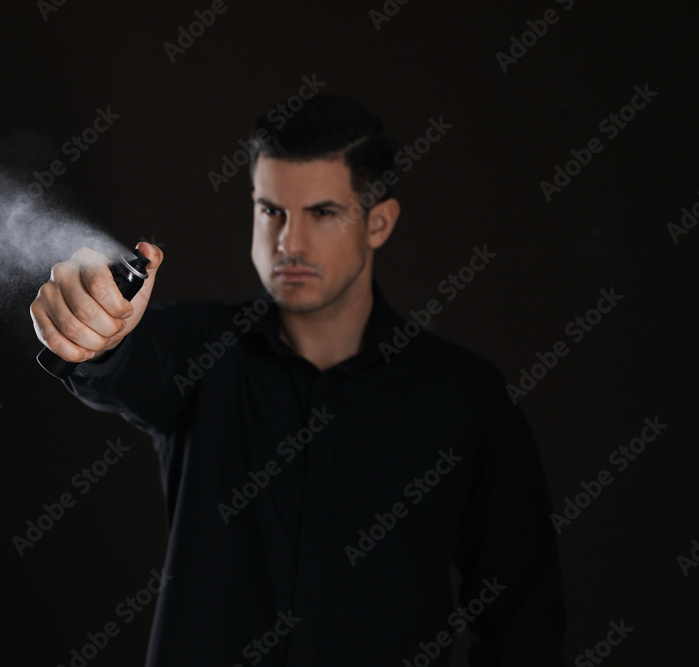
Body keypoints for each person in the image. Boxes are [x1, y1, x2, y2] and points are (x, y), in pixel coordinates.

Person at [30, 94, 566, 666]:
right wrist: (98, 331)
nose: (289, 242)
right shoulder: (202, 351)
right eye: (271, 211)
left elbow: (523, 625)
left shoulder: (466, 399)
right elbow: (126, 363)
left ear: (378, 222)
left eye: (323, 212)